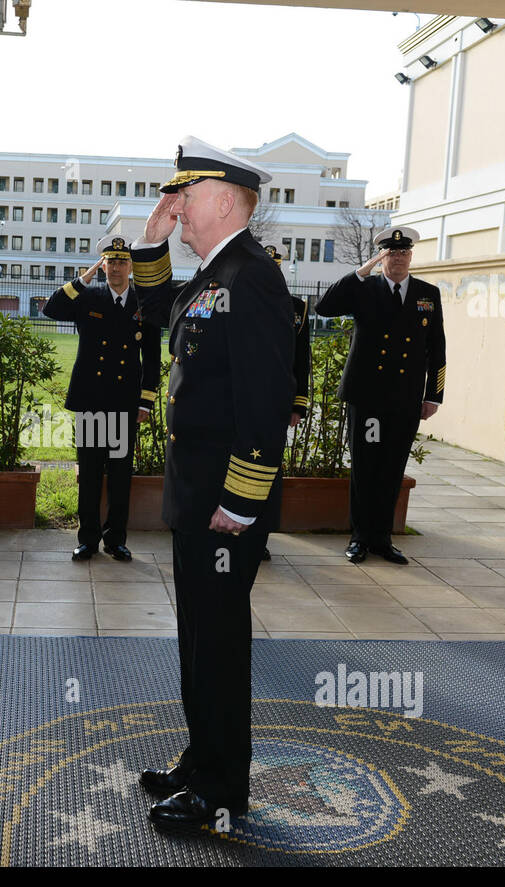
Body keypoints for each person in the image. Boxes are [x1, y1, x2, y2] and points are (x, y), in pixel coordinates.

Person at [129, 137, 297, 828]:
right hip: (197, 496)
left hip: (225, 501)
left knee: (221, 644)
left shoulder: (251, 275)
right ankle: (201, 757)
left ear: (225, 200)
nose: (175, 206)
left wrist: (241, 496)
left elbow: (266, 396)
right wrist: (150, 241)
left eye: (184, 197)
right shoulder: (215, 273)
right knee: (197, 634)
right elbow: (157, 316)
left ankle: (222, 788)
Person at [314, 226, 445, 565]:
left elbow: (437, 348)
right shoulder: (364, 288)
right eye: (391, 252)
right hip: (368, 396)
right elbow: (324, 307)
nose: (398, 258)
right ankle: (359, 537)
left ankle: (382, 539)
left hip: (404, 398)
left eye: (403, 253)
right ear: (381, 256)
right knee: (365, 466)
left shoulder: (427, 294)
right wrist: (360, 272)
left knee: (391, 467)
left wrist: (434, 395)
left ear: (411, 256)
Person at [42, 235, 159, 561]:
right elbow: (50, 309)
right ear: (102, 264)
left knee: (120, 475)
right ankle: (88, 539)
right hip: (92, 402)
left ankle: (116, 539)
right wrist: (83, 278)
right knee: (90, 475)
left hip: (124, 405)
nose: (116, 268)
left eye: (122, 261)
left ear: (131, 266)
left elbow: (151, 357)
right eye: (110, 261)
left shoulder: (142, 303)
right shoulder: (87, 297)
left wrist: (145, 401)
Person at [262, 243, 312, 562]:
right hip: (236, 403)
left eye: (274, 267)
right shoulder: (238, 301)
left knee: (269, 471)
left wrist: (298, 404)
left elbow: (301, 362)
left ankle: (260, 536)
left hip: (276, 405)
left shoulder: (298, 309)